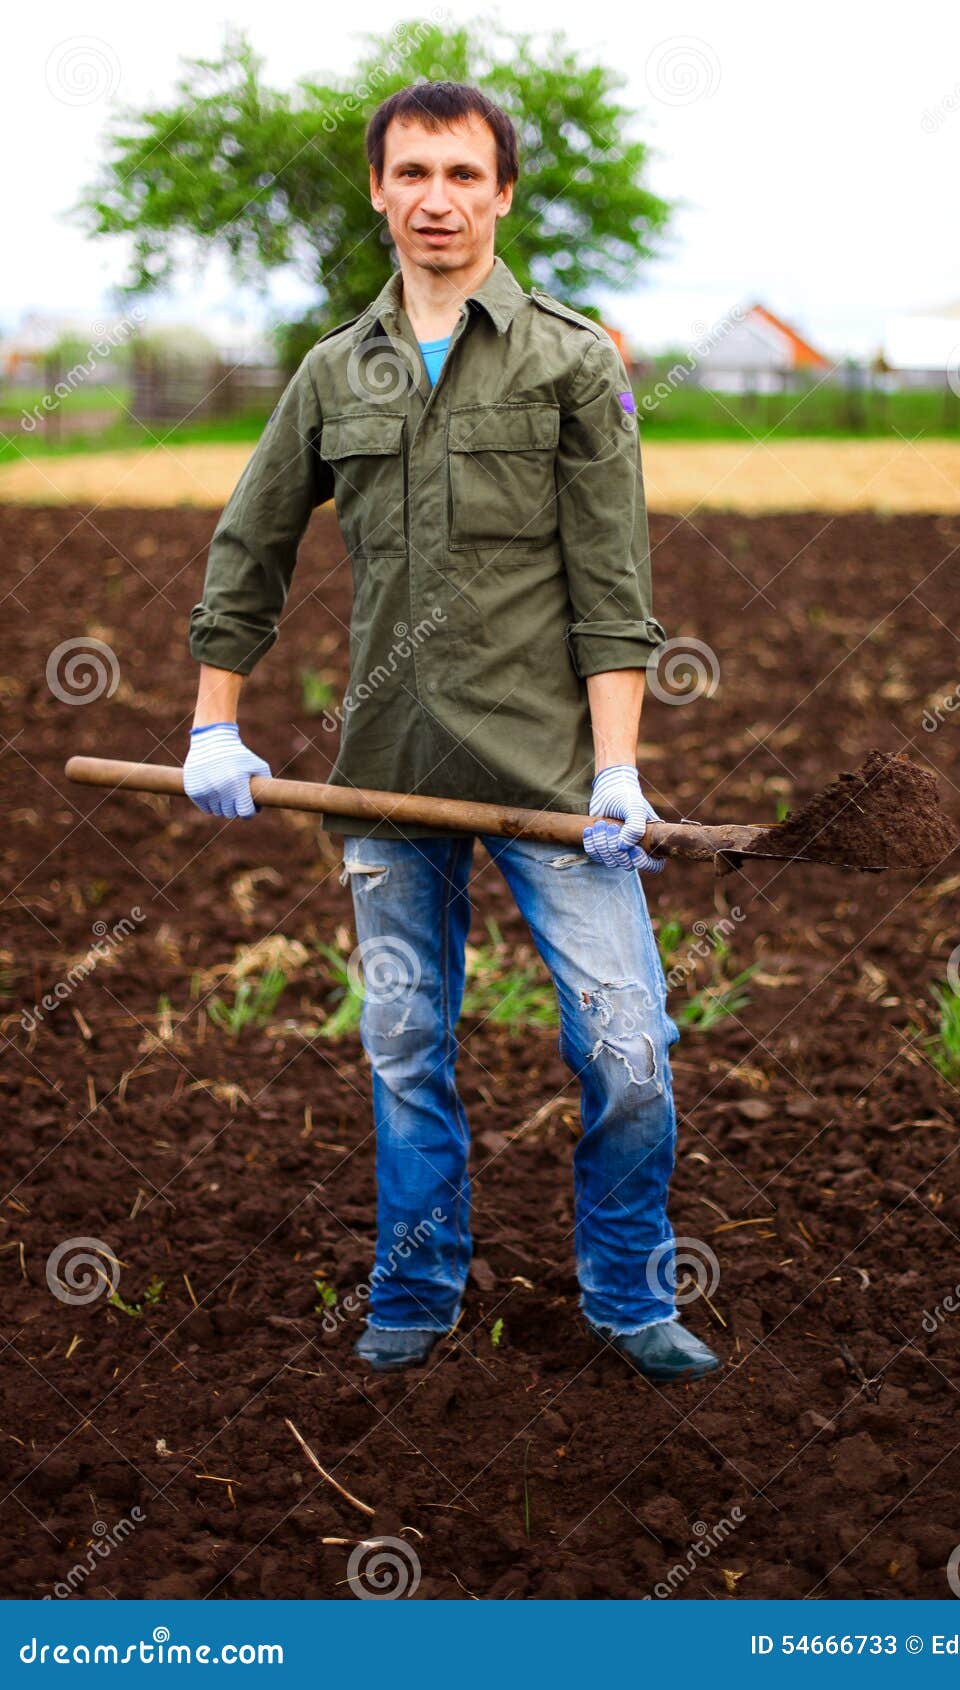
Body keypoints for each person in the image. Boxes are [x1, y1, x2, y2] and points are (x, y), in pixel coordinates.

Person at [182, 81, 720, 1385]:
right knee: (406, 1048)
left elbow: (614, 588)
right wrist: (215, 722)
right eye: (413, 172)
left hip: (551, 784)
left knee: (632, 1050)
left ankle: (629, 1291)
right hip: (387, 782)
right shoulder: (333, 375)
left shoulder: (573, 360)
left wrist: (619, 769)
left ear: (502, 195)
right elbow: (248, 549)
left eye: (464, 175)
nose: (438, 199)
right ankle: (417, 1288)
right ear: (378, 189)